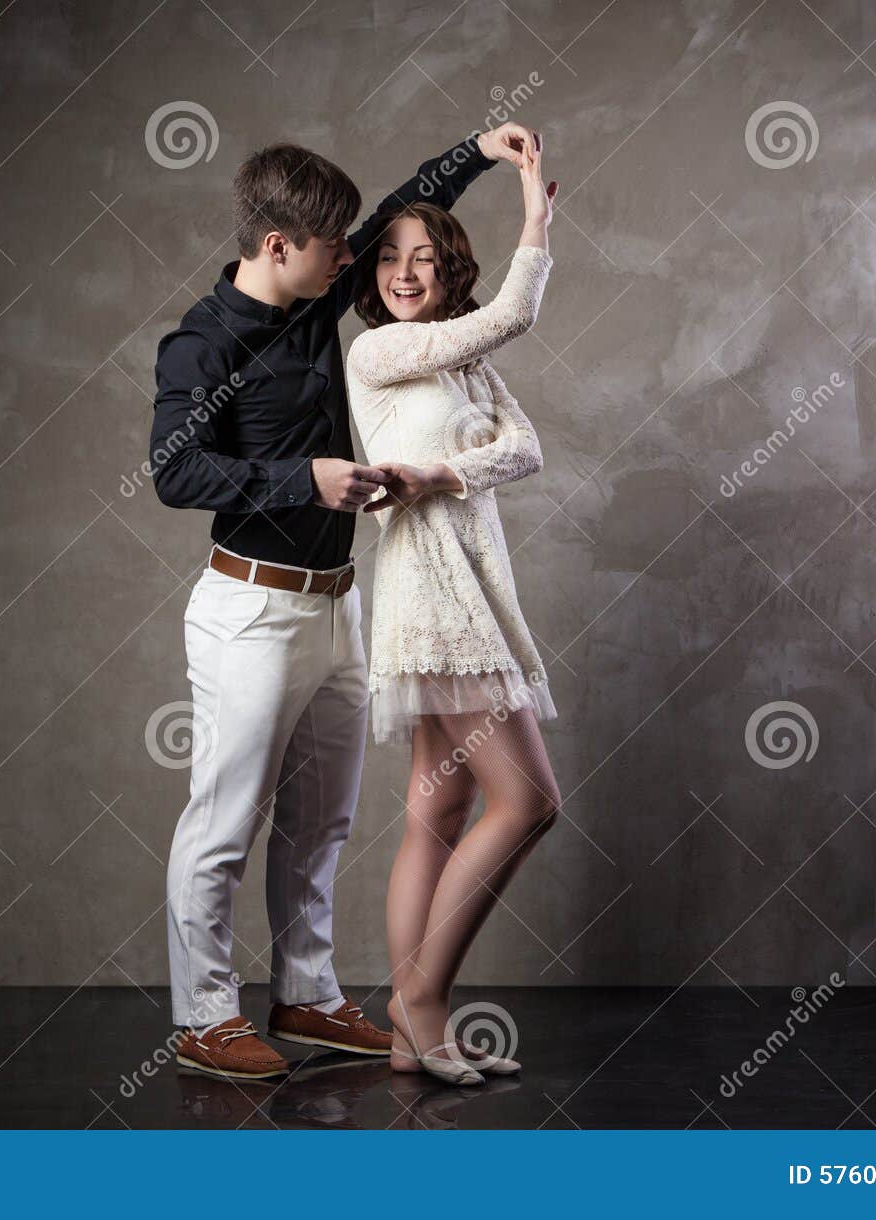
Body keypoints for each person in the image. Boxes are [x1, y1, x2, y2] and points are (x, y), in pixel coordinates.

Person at [149, 122, 541, 1081]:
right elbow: (173, 471)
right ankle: (204, 1015)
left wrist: (480, 150)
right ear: (279, 246)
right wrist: (302, 480)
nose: (356, 261)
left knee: (322, 821)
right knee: (226, 816)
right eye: (337, 249)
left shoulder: (314, 296)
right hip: (250, 608)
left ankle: (310, 995)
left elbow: (401, 204)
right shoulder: (202, 344)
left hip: (340, 602)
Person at [345, 136, 562, 1086]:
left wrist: (442, 470)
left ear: (449, 271)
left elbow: (527, 452)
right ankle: (420, 996)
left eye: (423, 259)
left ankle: (407, 1038)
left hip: (470, 579)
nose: (402, 273)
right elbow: (516, 310)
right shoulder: (382, 350)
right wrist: (535, 217)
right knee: (530, 801)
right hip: (429, 589)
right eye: (388, 257)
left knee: (441, 808)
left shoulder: (467, 369)